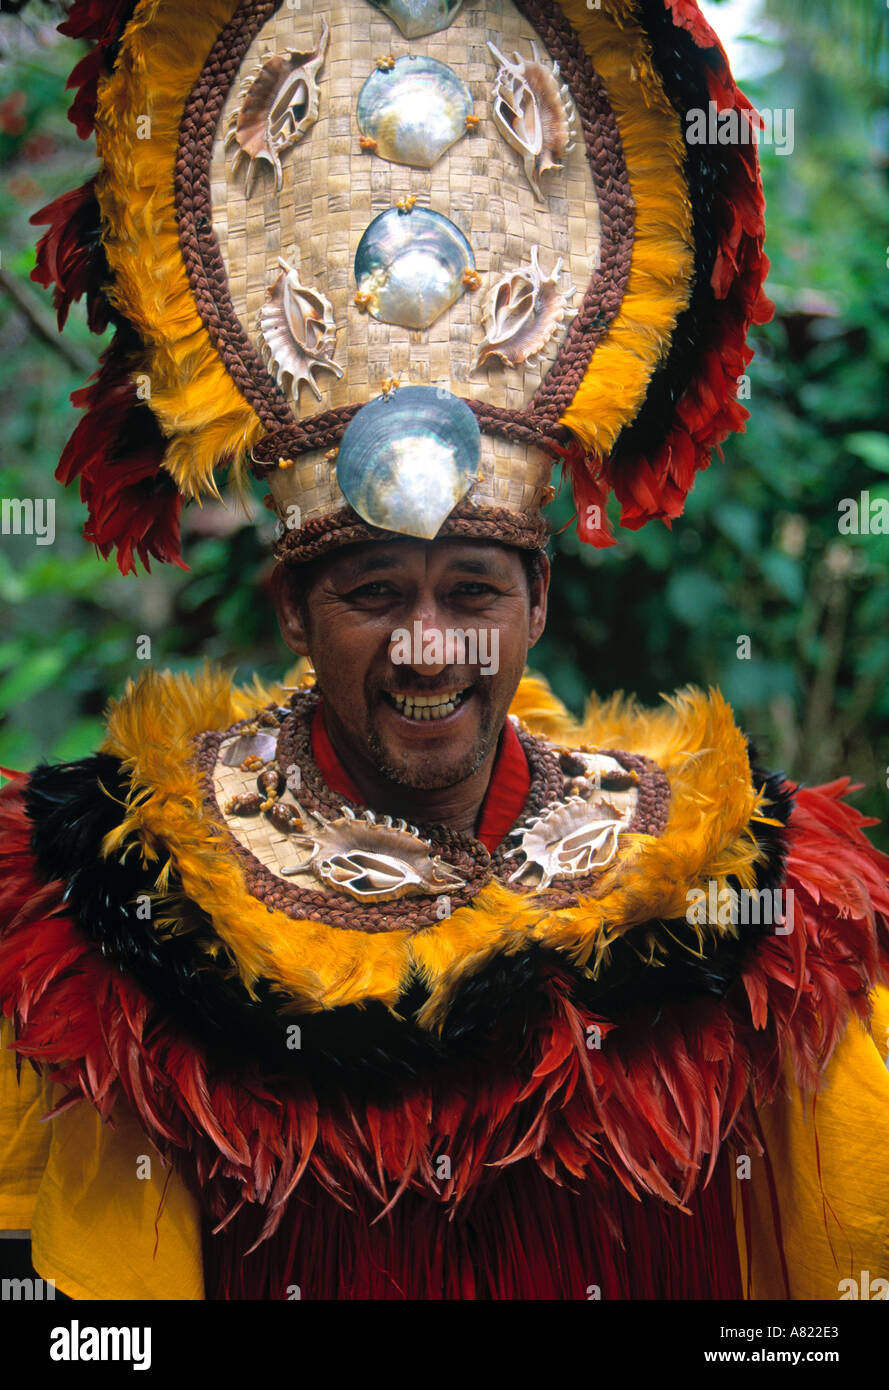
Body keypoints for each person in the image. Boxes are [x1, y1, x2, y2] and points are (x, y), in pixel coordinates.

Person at [1, 0, 888, 1301]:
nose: (430, 644)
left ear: (534, 604)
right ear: (294, 612)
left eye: (470, 589)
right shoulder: (110, 928)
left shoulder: (751, 916)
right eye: (373, 590)